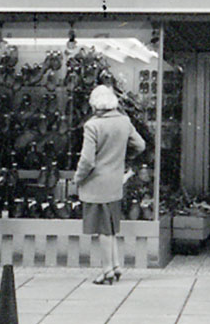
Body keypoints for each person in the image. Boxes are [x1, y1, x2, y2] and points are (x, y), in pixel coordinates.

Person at [74, 83, 146, 285]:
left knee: (102, 230)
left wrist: (77, 178)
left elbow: (87, 160)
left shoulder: (92, 125)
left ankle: (106, 270)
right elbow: (140, 145)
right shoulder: (124, 121)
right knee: (111, 228)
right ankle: (116, 266)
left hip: (96, 184)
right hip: (115, 182)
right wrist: (123, 158)